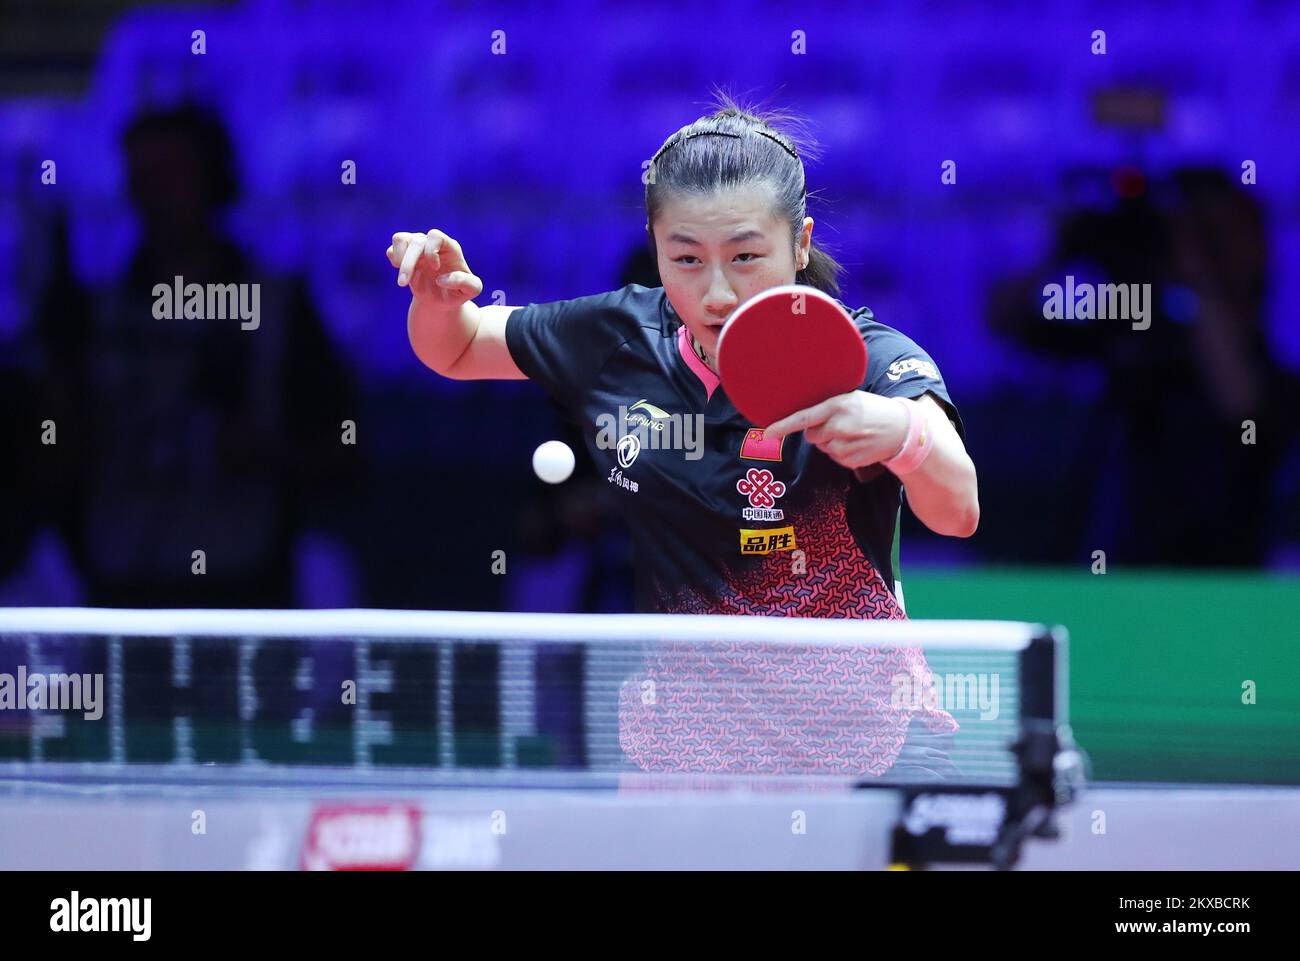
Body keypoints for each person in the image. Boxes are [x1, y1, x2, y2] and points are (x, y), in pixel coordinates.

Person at [390, 99, 977, 779]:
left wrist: (904, 433)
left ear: (802, 242)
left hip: (866, 745)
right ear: (656, 246)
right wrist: (436, 302)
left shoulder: (864, 357)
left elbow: (957, 510)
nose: (718, 291)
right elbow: (458, 349)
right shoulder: (619, 341)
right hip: (686, 748)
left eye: (747, 255)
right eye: (687, 258)